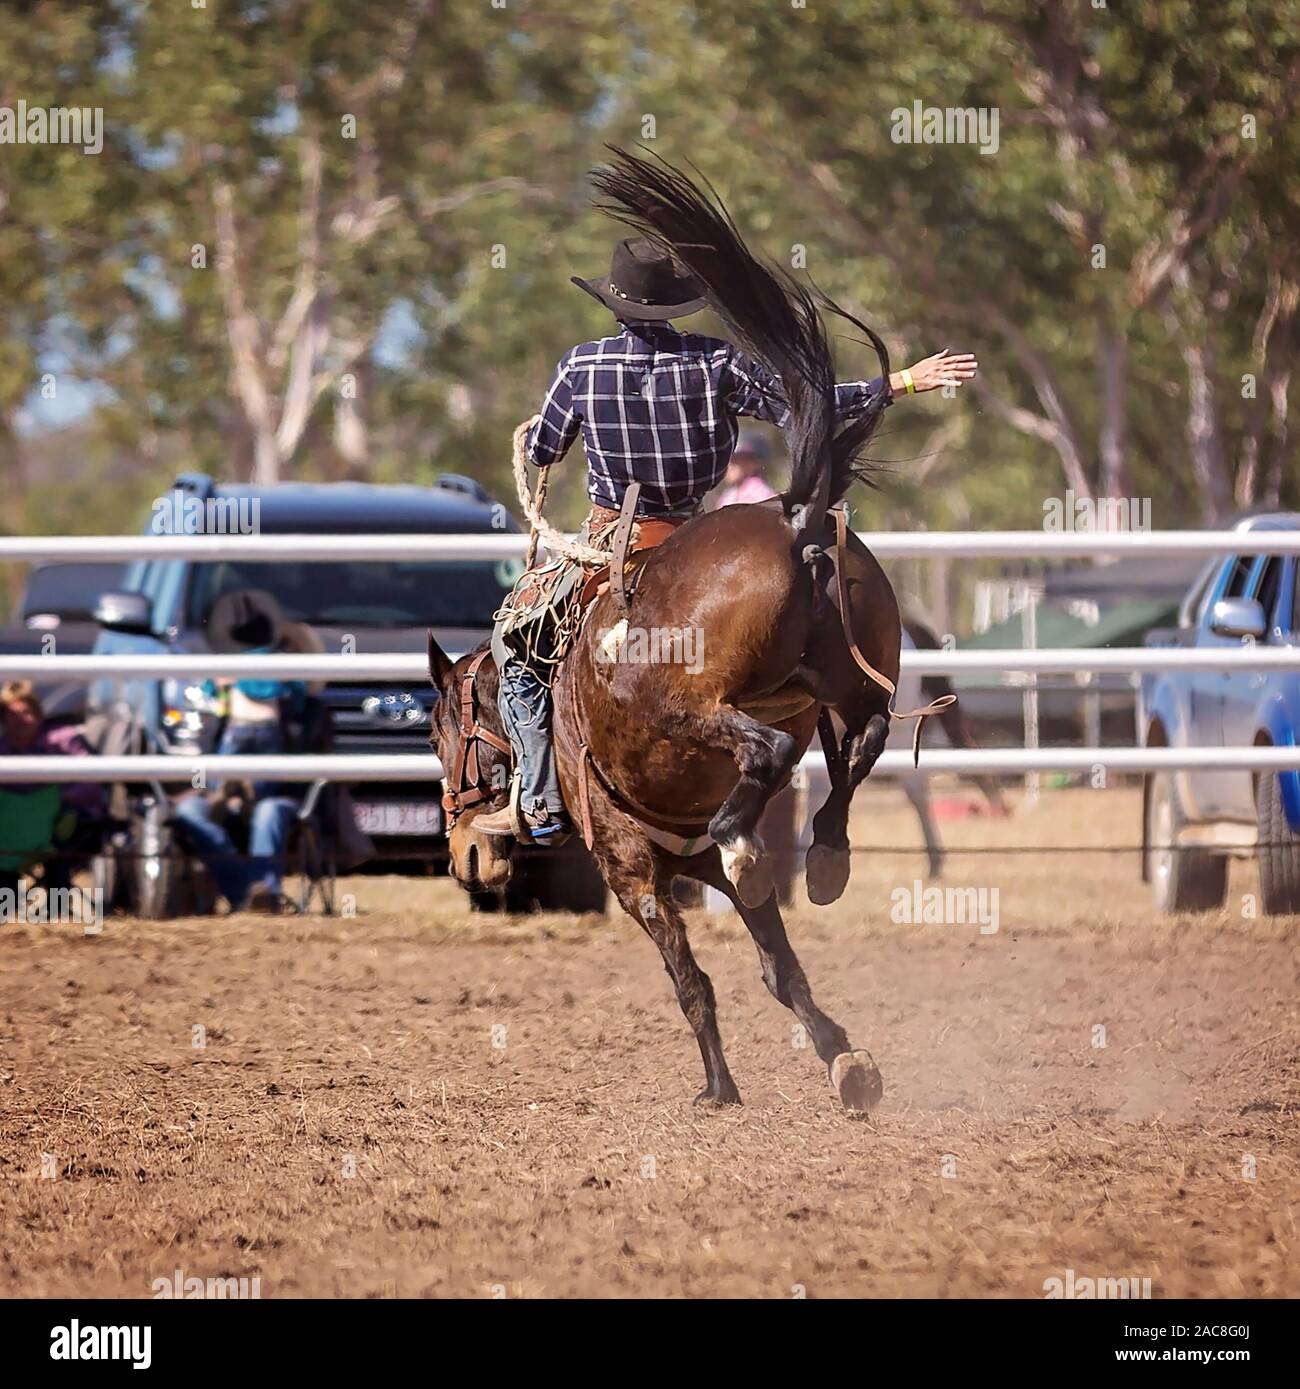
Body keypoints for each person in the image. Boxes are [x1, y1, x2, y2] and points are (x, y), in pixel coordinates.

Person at [472, 235, 977, 844]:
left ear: (616, 306)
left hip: (616, 546)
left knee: (515, 641)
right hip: (697, 539)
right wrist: (903, 381)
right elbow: (808, 406)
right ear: (675, 308)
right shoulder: (715, 362)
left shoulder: (582, 366)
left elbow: (543, 448)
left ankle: (540, 800)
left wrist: (546, 435)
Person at [171, 591, 318, 914]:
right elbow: (305, 694)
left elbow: (203, 705)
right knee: (191, 813)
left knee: (257, 809)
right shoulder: (286, 671)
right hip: (266, 770)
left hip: (249, 771)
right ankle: (252, 893)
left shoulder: (224, 670)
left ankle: (251, 889)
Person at [0, 680, 107, 899]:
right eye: (12, 714)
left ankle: (58, 919)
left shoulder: (63, 741)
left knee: (61, 853)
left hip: (58, 832)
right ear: (3, 719)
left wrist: (55, 796)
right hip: (8, 837)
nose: (20, 721)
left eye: (26, 712)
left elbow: (91, 784)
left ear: (39, 715)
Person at [712, 427, 778, 509]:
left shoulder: (761, 495)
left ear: (753, 463)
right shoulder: (728, 495)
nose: (729, 464)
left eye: (736, 459)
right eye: (727, 459)